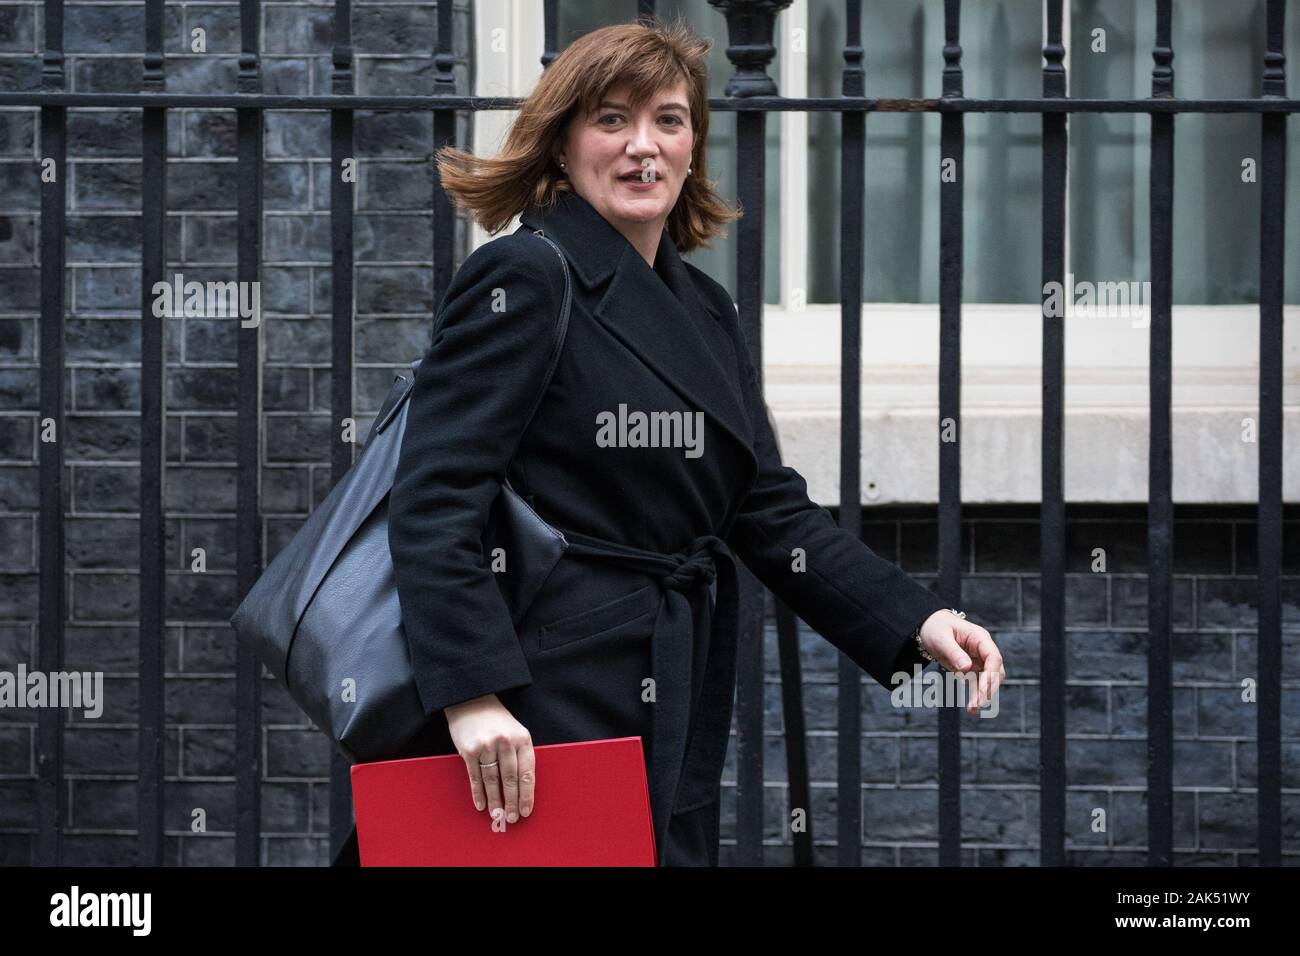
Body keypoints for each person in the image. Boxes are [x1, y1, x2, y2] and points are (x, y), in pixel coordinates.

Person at [332, 16, 1004, 868]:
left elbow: (768, 512)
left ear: (692, 148)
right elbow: (434, 499)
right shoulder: (529, 276)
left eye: (669, 120)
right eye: (611, 119)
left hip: (669, 683)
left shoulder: (705, 309)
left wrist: (918, 621)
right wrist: (471, 696)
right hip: (536, 698)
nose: (642, 146)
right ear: (564, 145)